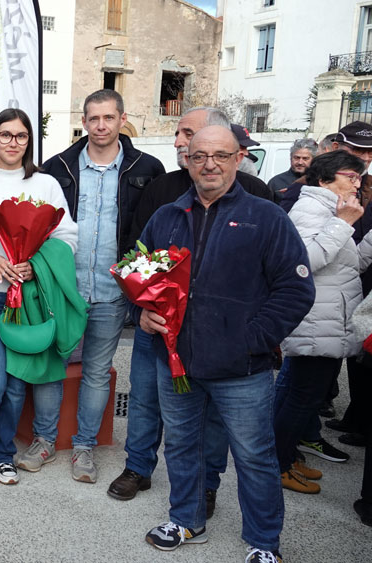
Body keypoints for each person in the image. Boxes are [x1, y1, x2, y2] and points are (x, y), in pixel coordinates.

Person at [140, 126, 314, 563]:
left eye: (220, 155)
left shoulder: (266, 217)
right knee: (180, 445)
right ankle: (187, 520)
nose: (209, 164)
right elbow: (138, 277)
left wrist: (251, 341)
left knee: (254, 456)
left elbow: (295, 292)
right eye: (199, 156)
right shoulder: (165, 217)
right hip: (176, 362)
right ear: (187, 160)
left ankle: (263, 543)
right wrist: (140, 314)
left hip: (243, 369)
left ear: (239, 159)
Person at [114, 106, 271, 511]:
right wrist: (140, 312)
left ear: (224, 144)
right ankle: (138, 467)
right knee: (145, 400)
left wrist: (254, 337)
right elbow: (136, 257)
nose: (181, 143)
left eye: (188, 134)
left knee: (212, 422)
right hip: (159, 335)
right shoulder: (163, 192)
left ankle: (207, 484)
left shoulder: (258, 200)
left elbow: (280, 281)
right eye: (188, 143)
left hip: (224, 347)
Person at [38, 89, 165, 483]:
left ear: (121, 118)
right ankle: (42, 440)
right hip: (65, 288)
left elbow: (152, 230)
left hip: (112, 292)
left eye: (108, 118)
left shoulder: (147, 168)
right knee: (52, 366)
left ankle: (84, 447)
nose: (101, 126)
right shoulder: (57, 166)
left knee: (96, 371)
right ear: (84, 120)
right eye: (93, 118)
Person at [0, 108, 78, 486]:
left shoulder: (45, 184)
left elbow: (66, 236)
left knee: (15, 383)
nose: (13, 142)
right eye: (6, 135)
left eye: (21, 136)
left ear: (29, 141)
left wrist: (35, 265)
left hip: (28, 297)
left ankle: (2, 452)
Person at [274, 150, 372, 496]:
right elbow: (305, 263)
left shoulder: (333, 211)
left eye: (360, 177)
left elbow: (349, 265)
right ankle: (278, 463)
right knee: (303, 397)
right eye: (350, 175)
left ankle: (285, 456)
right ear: (324, 179)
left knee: (303, 394)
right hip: (315, 320)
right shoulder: (309, 209)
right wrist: (343, 223)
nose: (357, 183)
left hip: (330, 318)